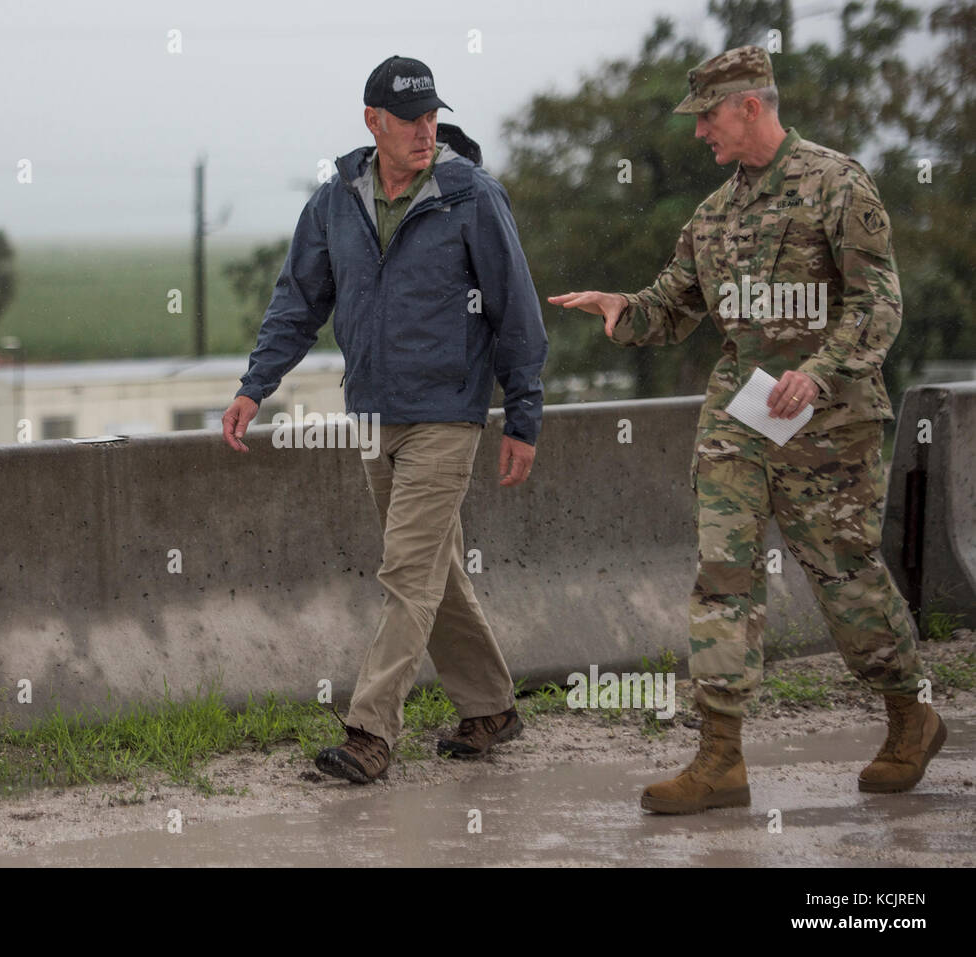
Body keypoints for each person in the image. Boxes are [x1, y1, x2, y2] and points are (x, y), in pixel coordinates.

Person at [550, 45, 945, 814]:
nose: (701, 133)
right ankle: (720, 756)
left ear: (750, 107)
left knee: (845, 575)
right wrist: (621, 310)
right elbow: (674, 305)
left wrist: (823, 370)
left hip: (831, 421)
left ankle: (910, 714)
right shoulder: (714, 215)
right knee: (723, 572)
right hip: (742, 417)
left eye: (708, 116)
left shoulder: (838, 183)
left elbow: (878, 304)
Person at [222, 55, 548, 783]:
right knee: (435, 570)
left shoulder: (471, 198)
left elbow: (517, 310)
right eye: (410, 119)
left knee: (405, 571)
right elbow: (297, 302)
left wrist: (522, 415)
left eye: (434, 117)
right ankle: (492, 706)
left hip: (447, 415)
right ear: (373, 121)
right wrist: (255, 386)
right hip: (372, 413)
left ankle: (370, 730)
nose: (425, 131)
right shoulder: (337, 202)